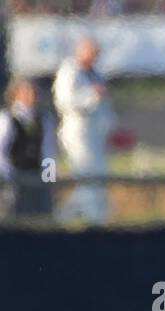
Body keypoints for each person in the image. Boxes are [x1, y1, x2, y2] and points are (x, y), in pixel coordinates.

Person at [52, 38, 116, 224]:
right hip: (77, 132)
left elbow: (104, 106)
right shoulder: (70, 71)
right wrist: (91, 95)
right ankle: (87, 219)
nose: (94, 58)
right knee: (88, 178)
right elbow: (64, 102)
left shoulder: (95, 74)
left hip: (95, 133)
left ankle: (88, 218)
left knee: (99, 176)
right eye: (92, 53)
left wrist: (112, 127)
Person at [0, 78, 57, 219]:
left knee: (41, 214)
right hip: (16, 174)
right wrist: (8, 176)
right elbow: (1, 150)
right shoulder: (8, 118)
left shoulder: (44, 119)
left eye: (34, 92)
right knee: (14, 214)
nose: (32, 95)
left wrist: (49, 177)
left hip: (36, 174)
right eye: (27, 91)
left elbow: (48, 149)